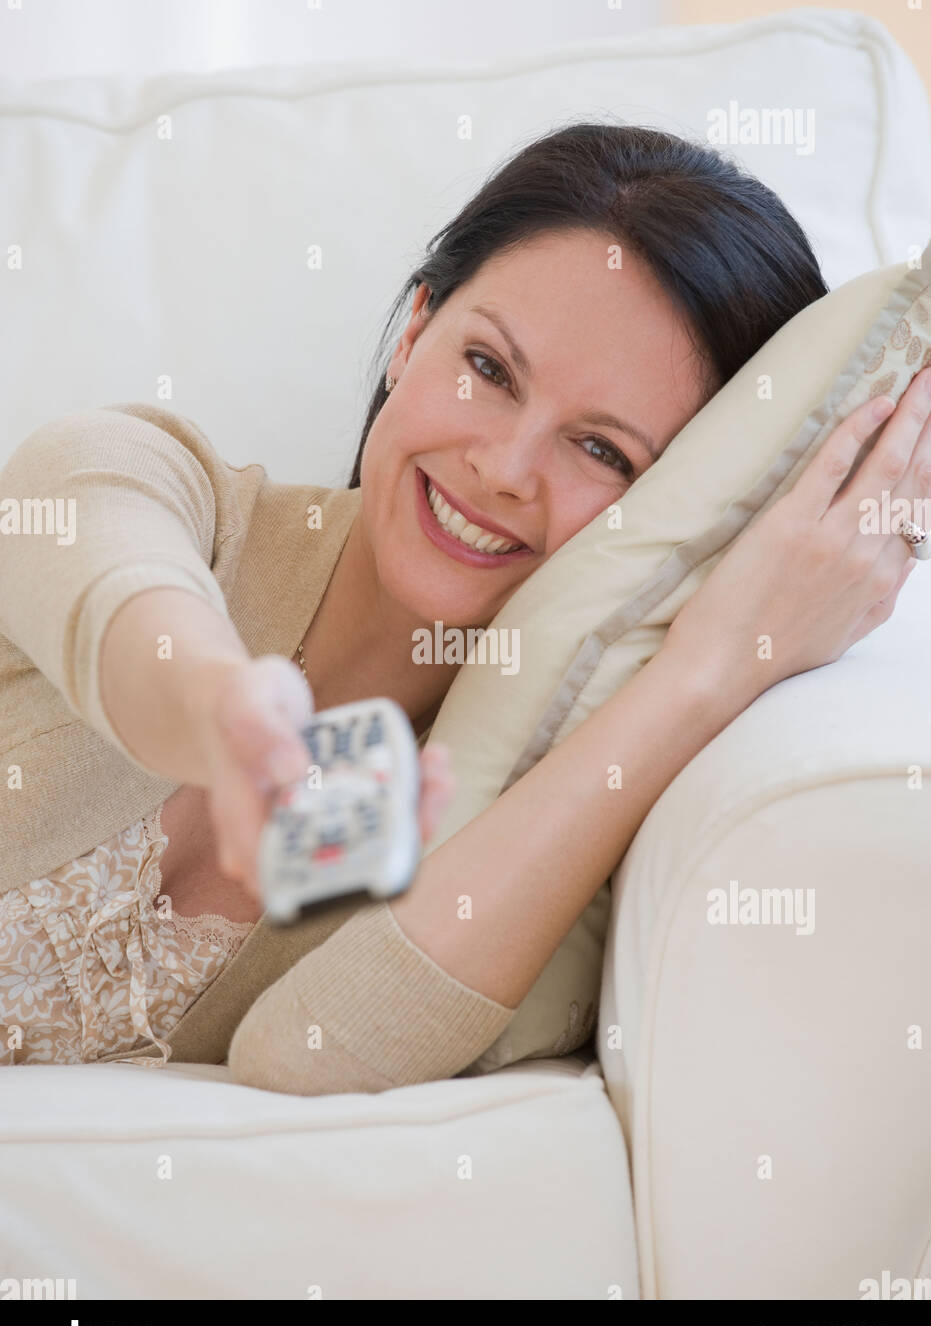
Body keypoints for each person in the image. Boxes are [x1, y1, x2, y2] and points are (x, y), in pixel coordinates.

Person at [1, 122, 927, 1084]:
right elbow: (118, 599)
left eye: (603, 451)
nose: (503, 469)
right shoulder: (140, 479)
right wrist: (218, 715)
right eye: (488, 369)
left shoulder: (460, 800)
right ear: (412, 334)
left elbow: (306, 1056)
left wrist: (710, 670)